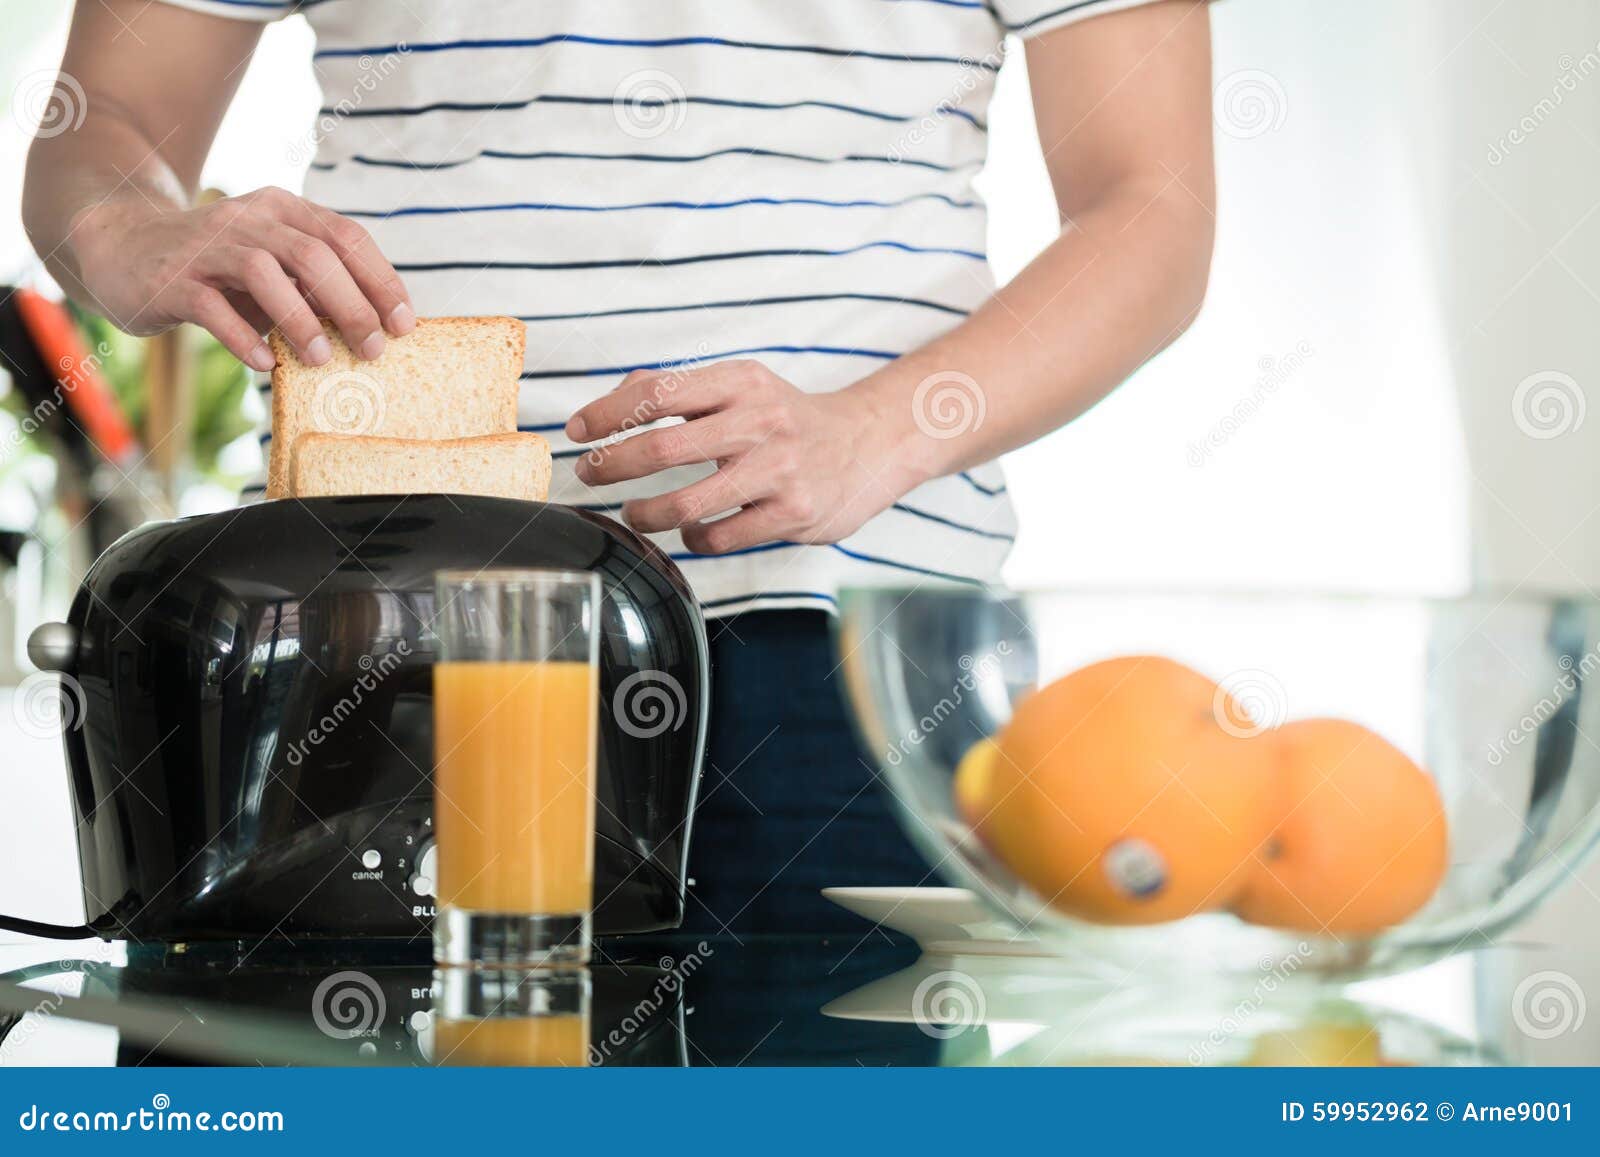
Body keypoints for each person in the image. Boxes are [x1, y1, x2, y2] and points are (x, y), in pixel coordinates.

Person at [23, 0, 1215, 934]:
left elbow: (1150, 208)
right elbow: (104, 123)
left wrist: (875, 428)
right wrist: (134, 229)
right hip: (354, 627)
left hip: (825, 637)